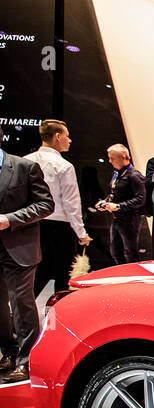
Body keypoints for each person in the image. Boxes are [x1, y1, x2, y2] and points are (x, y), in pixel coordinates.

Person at [0, 147, 55, 382]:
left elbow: (46, 204)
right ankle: (9, 352)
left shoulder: (23, 167)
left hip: (19, 247)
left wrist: (10, 219)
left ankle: (26, 360)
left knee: (21, 303)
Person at [26, 119, 90, 296]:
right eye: (67, 137)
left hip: (30, 224)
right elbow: (71, 203)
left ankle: (20, 314)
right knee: (63, 273)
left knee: (37, 271)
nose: (69, 140)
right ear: (57, 136)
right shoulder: (63, 166)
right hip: (58, 226)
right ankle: (57, 315)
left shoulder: (24, 162)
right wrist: (81, 233)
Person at [96, 144, 145, 266]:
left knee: (130, 253)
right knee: (115, 252)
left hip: (130, 220)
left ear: (123, 156)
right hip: (116, 219)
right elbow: (114, 193)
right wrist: (105, 202)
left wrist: (119, 206)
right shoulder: (117, 174)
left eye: (112, 158)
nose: (110, 161)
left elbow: (141, 199)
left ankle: (133, 277)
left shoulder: (134, 175)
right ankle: (122, 275)